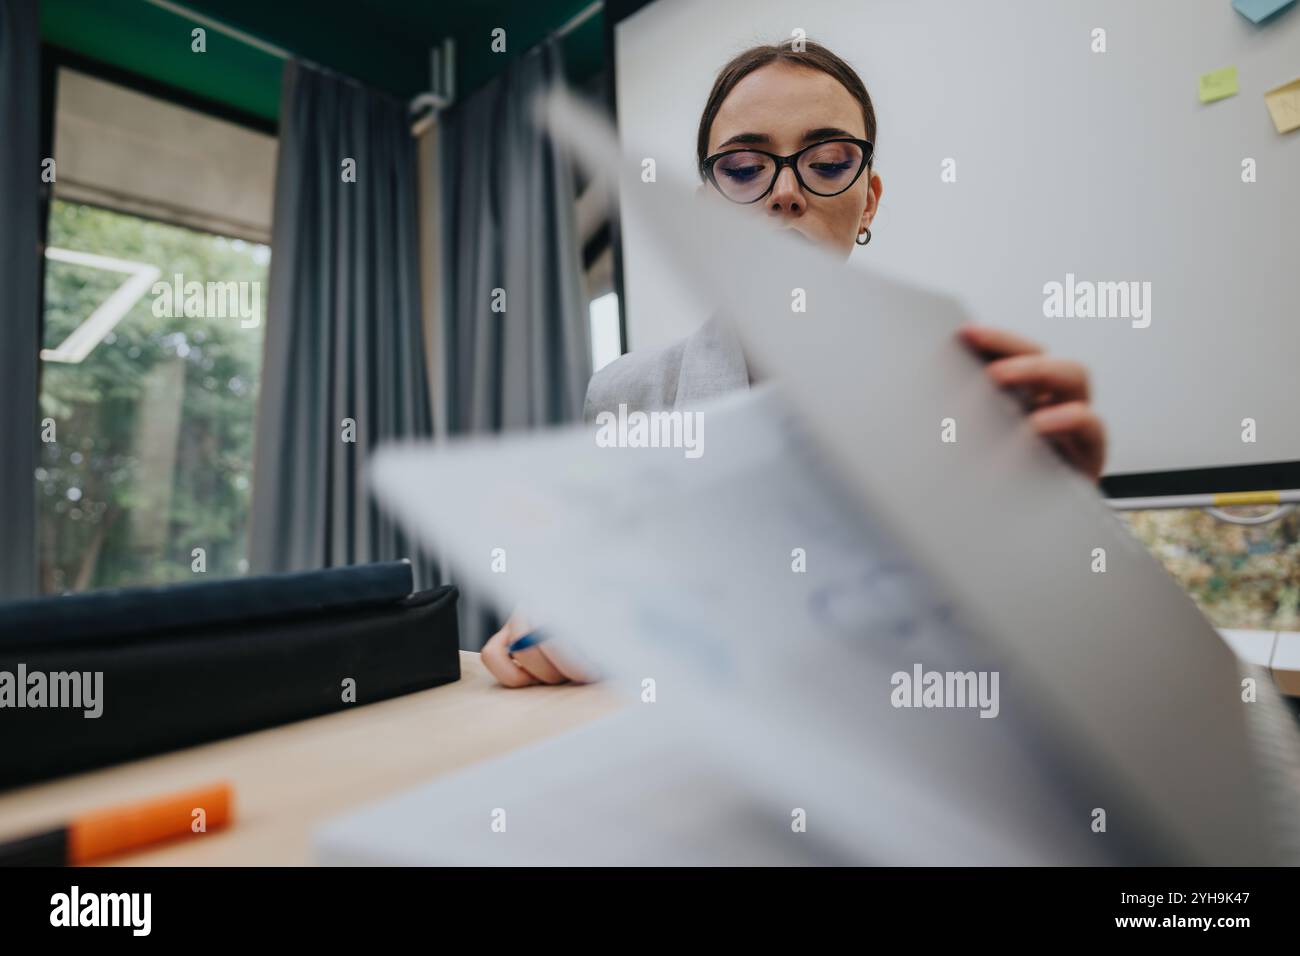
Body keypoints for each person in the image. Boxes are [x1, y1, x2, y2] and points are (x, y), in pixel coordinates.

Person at [482, 39, 1106, 688]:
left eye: (830, 161)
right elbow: (596, 599)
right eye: (745, 169)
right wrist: (557, 624)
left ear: (869, 199)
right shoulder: (627, 395)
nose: (784, 193)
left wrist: (1056, 529)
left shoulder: (967, 400)